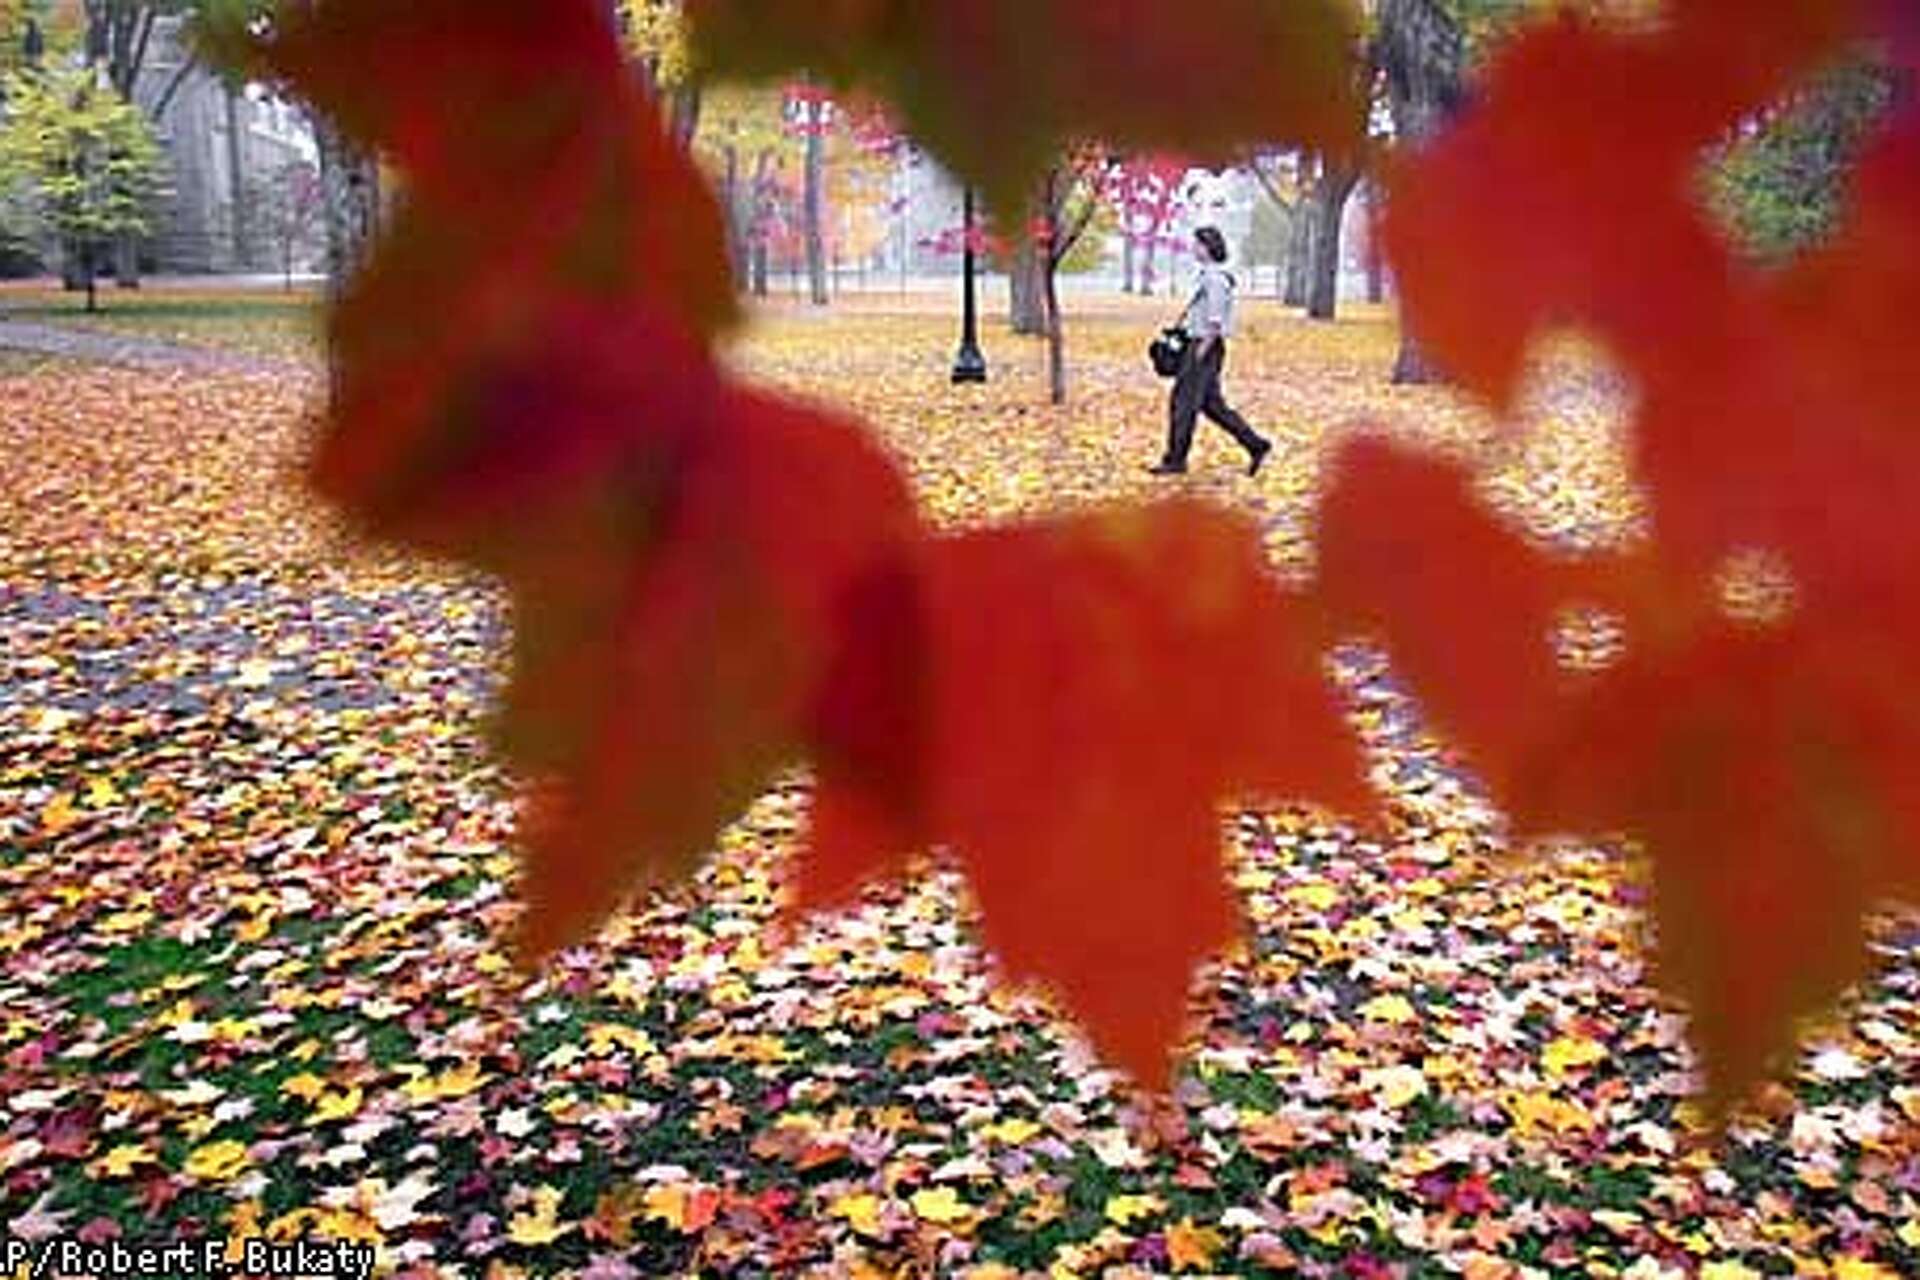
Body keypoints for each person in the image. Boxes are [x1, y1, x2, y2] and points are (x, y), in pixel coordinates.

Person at [1149, 226, 1271, 477]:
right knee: (1213, 406)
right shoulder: (1208, 276)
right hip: (1200, 345)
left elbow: (1215, 322)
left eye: (1197, 244)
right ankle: (1256, 444)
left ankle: (1175, 460)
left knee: (1183, 404)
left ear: (1208, 247)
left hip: (1204, 346)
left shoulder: (1215, 280)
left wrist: (1200, 352)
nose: (1193, 248)